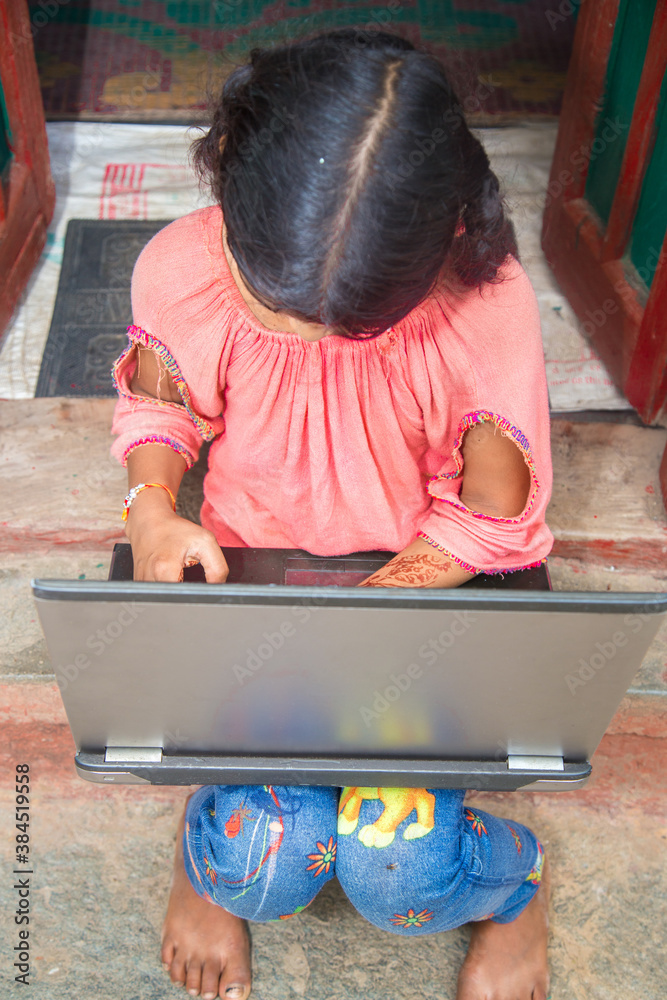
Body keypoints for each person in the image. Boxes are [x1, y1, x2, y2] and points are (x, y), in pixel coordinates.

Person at [111, 27, 553, 1000]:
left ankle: (516, 885)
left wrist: (360, 627)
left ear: (443, 239)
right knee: (262, 858)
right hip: (251, 595)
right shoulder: (181, 265)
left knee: (397, 871)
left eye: (337, 324)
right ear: (226, 176)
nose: (296, 338)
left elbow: (492, 522)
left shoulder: (484, 312)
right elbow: (159, 404)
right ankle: (211, 847)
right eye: (266, 300)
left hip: (416, 611)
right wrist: (150, 507)